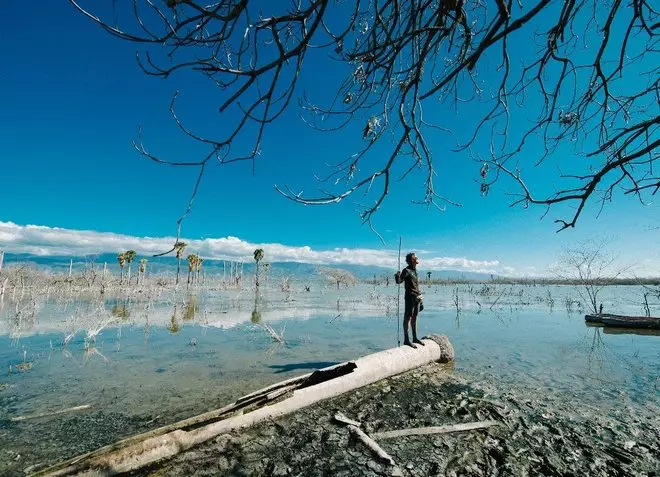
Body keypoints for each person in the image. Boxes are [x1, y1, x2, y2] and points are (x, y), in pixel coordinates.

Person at [395, 252, 425, 348]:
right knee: (407, 318)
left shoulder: (415, 271)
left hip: (417, 298)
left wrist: (420, 297)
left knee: (415, 317)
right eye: (415, 257)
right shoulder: (406, 270)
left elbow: (416, 286)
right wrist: (397, 275)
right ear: (412, 260)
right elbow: (399, 281)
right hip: (409, 298)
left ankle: (415, 338)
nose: (417, 258)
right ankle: (406, 340)